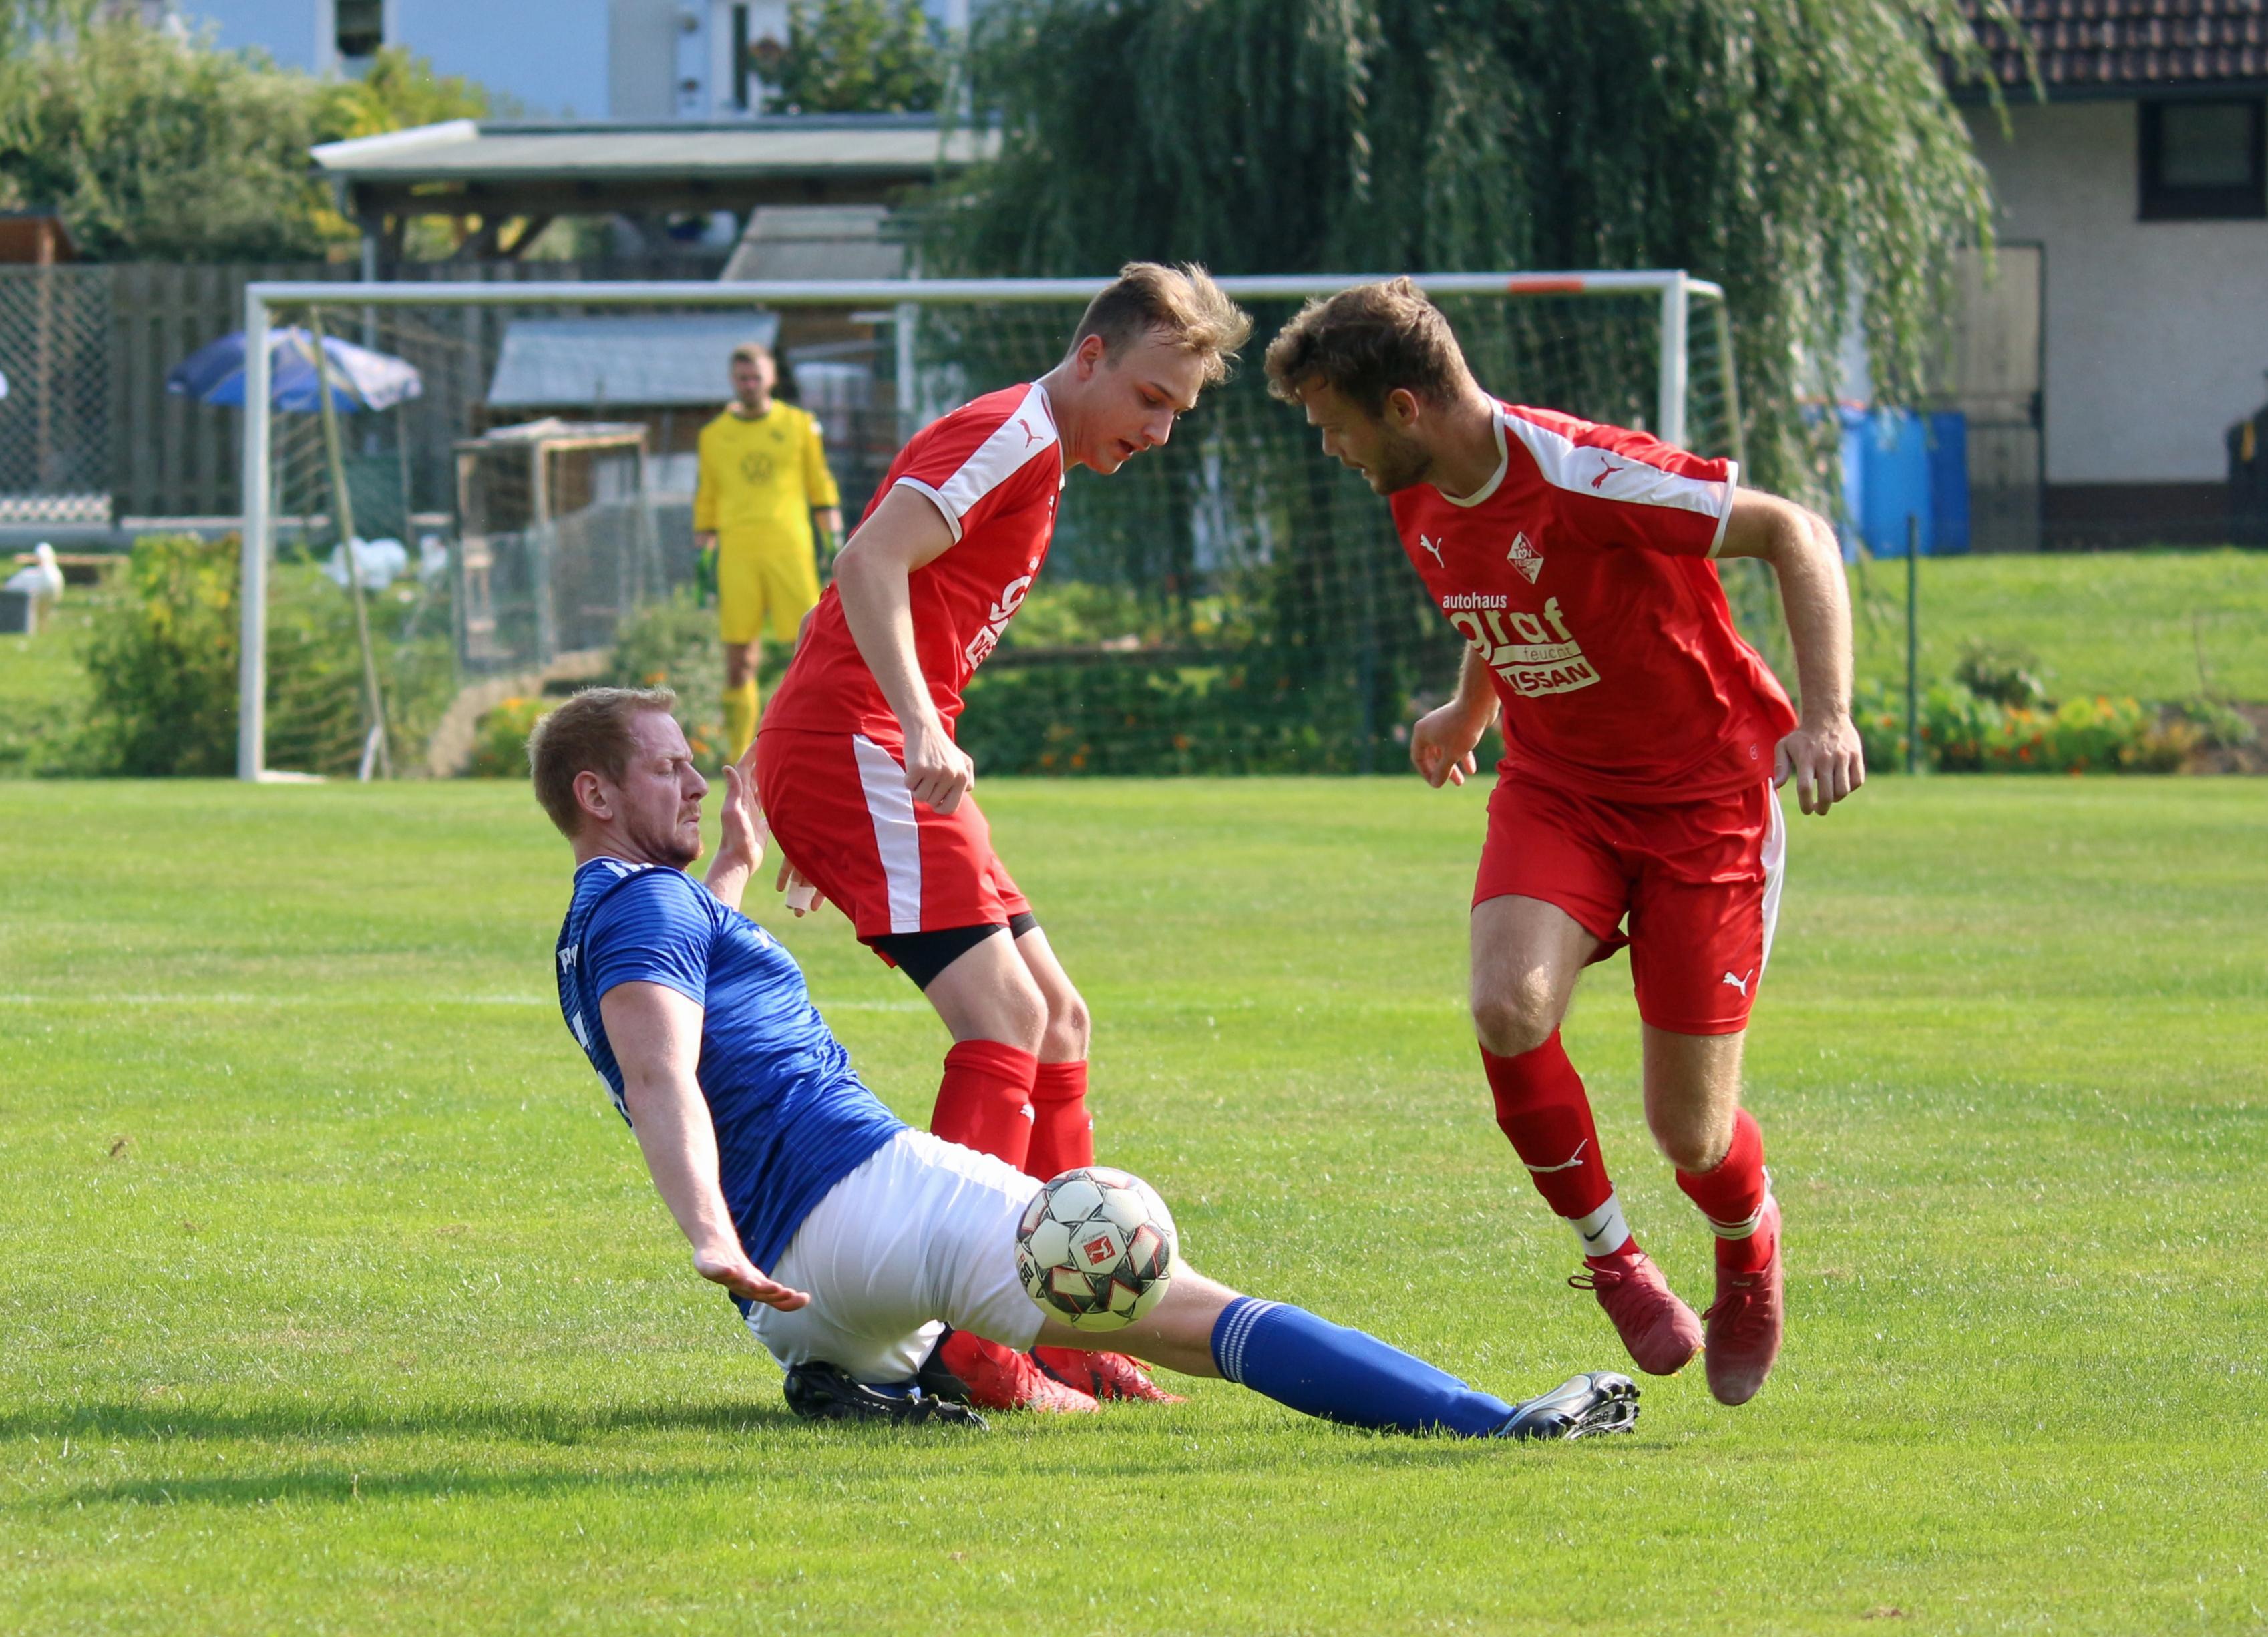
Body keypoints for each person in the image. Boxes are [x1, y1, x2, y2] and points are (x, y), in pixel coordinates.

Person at [532, 686, 1641, 1441]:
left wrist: (732, 864)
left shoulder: (614, 915)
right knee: (1188, 1304)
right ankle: (1488, 1422)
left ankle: (869, 1382)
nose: (692, 780)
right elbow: (663, 1076)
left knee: (949, 1321)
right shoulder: (648, 919)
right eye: (667, 769)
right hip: (865, 1204)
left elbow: (689, 981)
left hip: (798, 1306)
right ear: (596, 795)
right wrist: (707, 1238)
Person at [1264, 280, 1866, 1408]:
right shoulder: (1416, 489)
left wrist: (1826, 714)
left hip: (1706, 802)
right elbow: (1503, 593)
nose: (1332, 450)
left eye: (1334, 425)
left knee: (1689, 1132)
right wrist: (1469, 710)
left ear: (1402, 407)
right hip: (1560, 790)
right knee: (1506, 1007)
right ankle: (1614, 1259)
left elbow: (1797, 531)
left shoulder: (1584, 472)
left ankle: (1749, 1240)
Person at [750, 263, 1252, 1411]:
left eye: (1178, 411)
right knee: (1006, 1017)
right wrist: (897, 738)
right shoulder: (1008, 436)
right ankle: (966, 1340)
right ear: (1089, 358)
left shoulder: (1037, 452)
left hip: (864, 754)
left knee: (1060, 1017)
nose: (1161, 431)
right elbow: (867, 559)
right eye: (1151, 399)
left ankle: (1071, 1327)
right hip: (866, 745)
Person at [693, 342, 843, 760]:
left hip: (789, 549)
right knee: (739, 660)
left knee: (813, 647)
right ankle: (741, 758)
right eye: (742, 377)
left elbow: (820, 484)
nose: (750, 383)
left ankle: (815, 742)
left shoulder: (799, 425)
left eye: (756, 376)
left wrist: (833, 542)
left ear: (772, 376)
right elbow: (707, 496)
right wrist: (703, 556)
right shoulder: (713, 436)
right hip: (738, 554)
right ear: (733, 380)